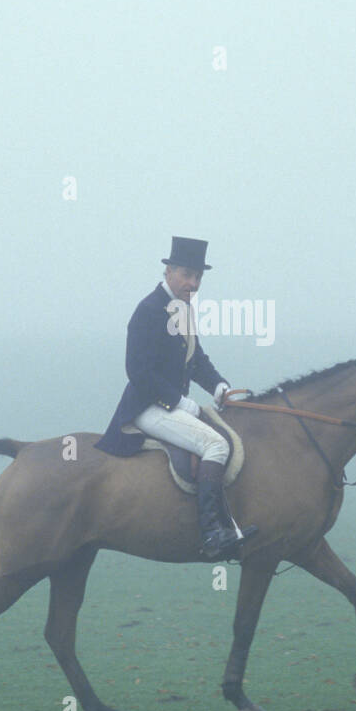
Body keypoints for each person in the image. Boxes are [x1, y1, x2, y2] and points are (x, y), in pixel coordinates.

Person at [95, 236, 241, 559]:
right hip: (146, 407)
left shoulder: (183, 309)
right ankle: (212, 532)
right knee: (215, 444)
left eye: (198, 277)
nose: (193, 282)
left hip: (170, 404)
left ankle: (229, 524)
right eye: (187, 274)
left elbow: (196, 359)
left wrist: (218, 385)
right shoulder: (148, 311)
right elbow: (138, 372)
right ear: (169, 271)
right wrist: (177, 401)